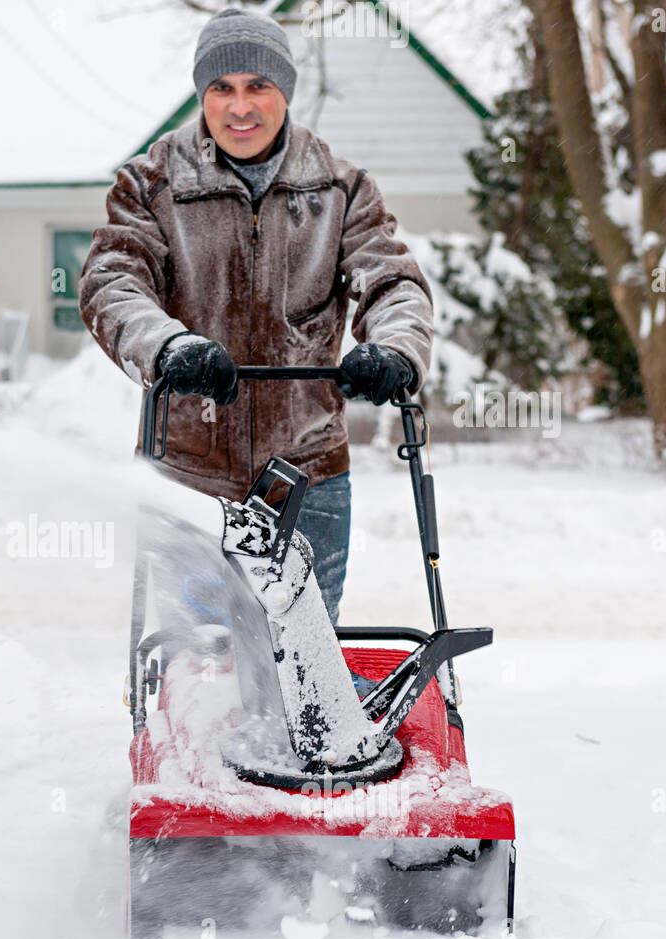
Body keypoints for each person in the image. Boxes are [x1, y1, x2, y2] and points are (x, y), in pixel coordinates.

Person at [78, 6, 433, 625]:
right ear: (203, 95)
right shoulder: (151, 184)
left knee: (301, 659)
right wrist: (168, 347)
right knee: (201, 656)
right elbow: (113, 283)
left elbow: (393, 281)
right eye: (223, 88)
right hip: (189, 472)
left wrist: (395, 351)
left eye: (258, 87)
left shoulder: (340, 190)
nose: (240, 107)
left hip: (309, 473)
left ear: (284, 94)